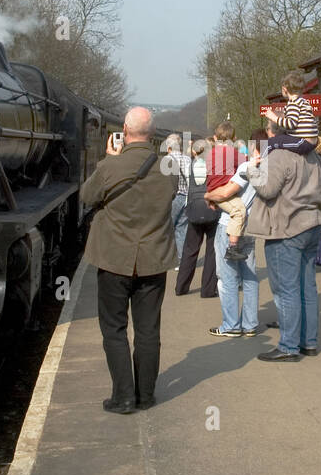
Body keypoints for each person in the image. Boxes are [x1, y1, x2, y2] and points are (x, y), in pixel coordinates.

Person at [79, 107, 179, 414]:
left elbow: (87, 196)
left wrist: (111, 159)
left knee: (114, 328)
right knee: (148, 330)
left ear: (124, 129)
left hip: (114, 260)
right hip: (154, 258)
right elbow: (170, 195)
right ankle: (145, 395)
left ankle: (123, 397)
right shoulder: (169, 167)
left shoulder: (112, 166)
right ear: (152, 133)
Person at [245, 122, 321, 362]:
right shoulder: (313, 155)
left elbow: (268, 189)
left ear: (275, 132)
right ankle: (308, 342)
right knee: (308, 287)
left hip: (287, 227)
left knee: (287, 289)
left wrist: (252, 170)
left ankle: (289, 346)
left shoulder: (280, 154)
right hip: (312, 223)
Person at [204, 128, 265, 337]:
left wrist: (208, 196)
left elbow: (226, 191)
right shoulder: (266, 171)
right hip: (250, 228)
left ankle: (231, 325)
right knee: (249, 276)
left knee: (228, 277)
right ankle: (250, 324)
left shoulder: (245, 166)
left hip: (228, 225)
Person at [174, 137, 219, 298]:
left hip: (193, 209)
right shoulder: (215, 165)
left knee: (190, 250)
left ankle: (181, 287)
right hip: (212, 208)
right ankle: (207, 290)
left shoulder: (190, 165)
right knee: (211, 252)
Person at [206, 121, 251, 262]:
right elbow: (246, 163)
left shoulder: (210, 153)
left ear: (215, 138)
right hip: (225, 192)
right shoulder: (232, 152)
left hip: (213, 189)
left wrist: (211, 196)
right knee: (239, 211)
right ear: (234, 138)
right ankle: (232, 247)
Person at [262, 68, 320, 158]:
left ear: (284, 89)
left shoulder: (293, 103)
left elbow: (291, 123)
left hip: (303, 142)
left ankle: (260, 163)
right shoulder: (304, 102)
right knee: (281, 138)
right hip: (313, 141)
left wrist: (274, 118)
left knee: (270, 143)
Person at [164, 133, 190, 270]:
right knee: (182, 229)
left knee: (167, 228)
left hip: (172, 198)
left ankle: (167, 258)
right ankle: (180, 260)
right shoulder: (188, 159)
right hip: (186, 197)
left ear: (169, 147)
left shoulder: (166, 160)